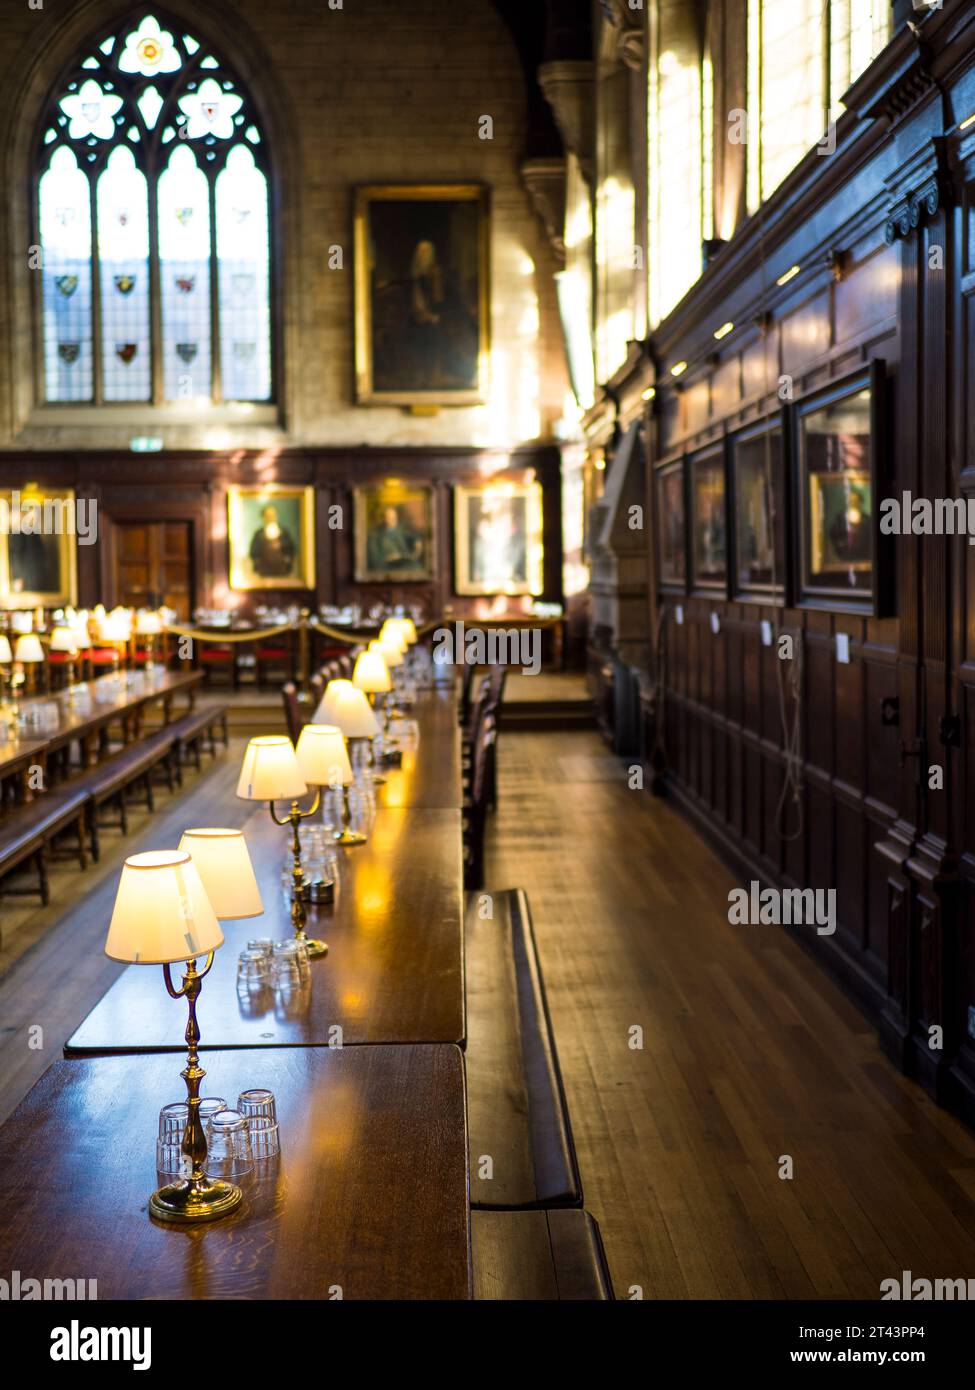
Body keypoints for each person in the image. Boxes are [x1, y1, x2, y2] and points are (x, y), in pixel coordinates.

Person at [367, 504, 423, 573]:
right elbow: (374, 560)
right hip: (387, 568)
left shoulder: (400, 529)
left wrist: (417, 542)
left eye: (394, 518)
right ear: (383, 519)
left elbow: (413, 536)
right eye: (389, 518)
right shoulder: (375, 534)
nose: (392, 521)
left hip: (404, 563)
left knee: (416, 568)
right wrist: (388, 558)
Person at [249, 505, 296, 579]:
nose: (271, 517)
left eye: (273, 515)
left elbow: (290, 551)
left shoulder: (284, 533)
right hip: (263, 571)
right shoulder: (258, 534)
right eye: (268, 515)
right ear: (263, 517)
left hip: (282, 570)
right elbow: (253, 553)